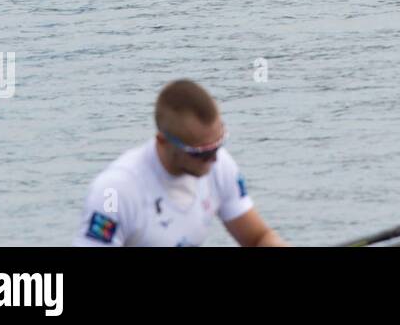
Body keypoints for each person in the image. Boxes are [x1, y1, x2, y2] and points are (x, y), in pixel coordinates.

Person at [73, 79, 286, 247]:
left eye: (218, 145)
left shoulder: (220, 167)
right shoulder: (115, 192)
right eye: (200, 153)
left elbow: (259, 238)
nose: (213, 159)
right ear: (163, 141)